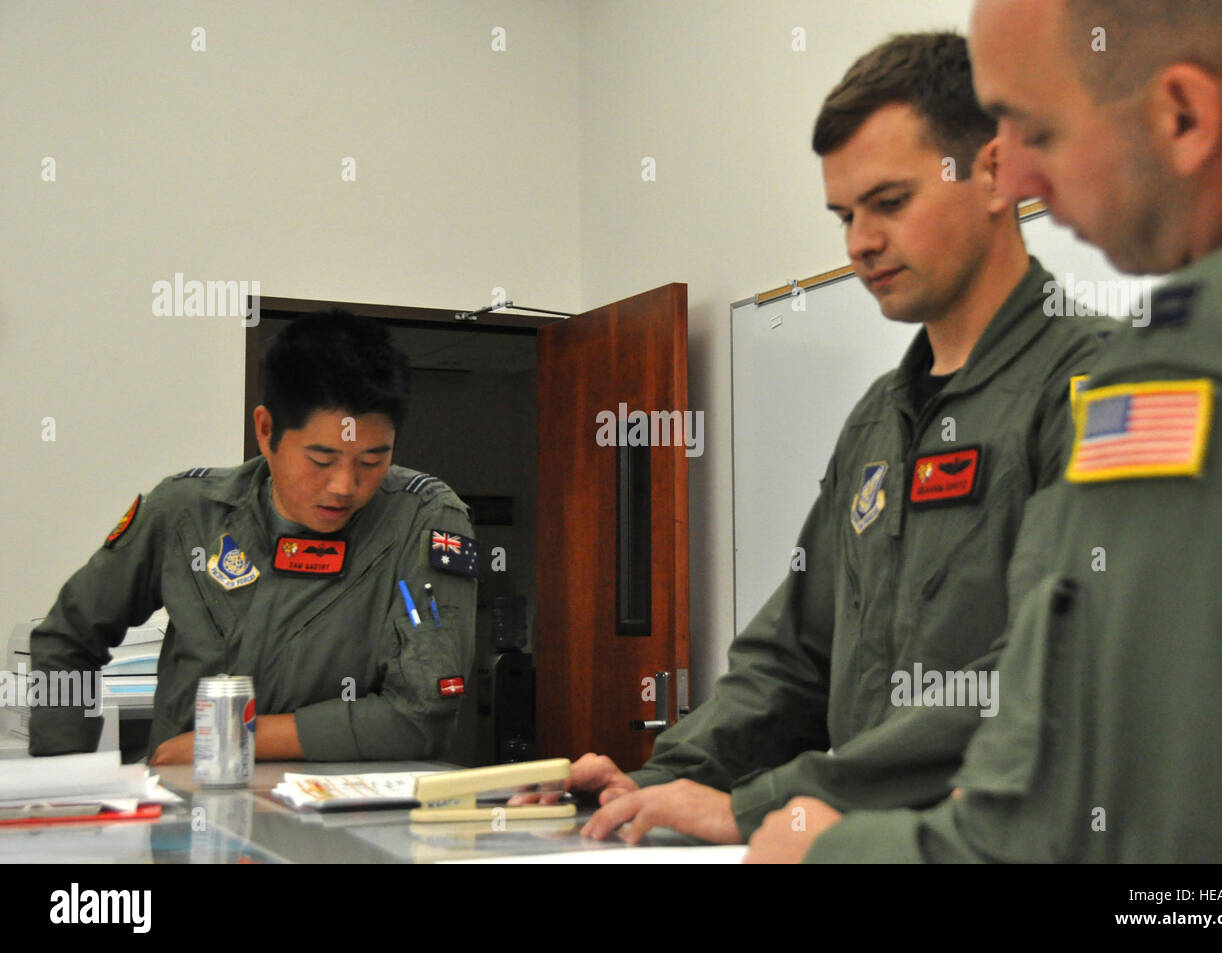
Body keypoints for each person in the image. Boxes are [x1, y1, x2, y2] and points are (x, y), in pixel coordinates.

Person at [748, 0, 1222, 863]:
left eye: (1040, 135)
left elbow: (1171, 861)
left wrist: (824, 849)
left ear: (1185, 115)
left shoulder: (1189, 365)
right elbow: (792, 651)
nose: (1023, 181)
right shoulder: (877, 419)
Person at [538, 33, 1113, 844]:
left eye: (889, 202)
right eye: (846, 215)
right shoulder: (880, 417)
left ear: (992, 172)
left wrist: (764, 800)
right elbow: (793, 657)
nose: (858, 243)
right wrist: (665, 777)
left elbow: (1044, 674)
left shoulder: (1097, 385)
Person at [28, 310, 479, 764]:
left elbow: (423, 715)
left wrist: (231, 739)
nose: (344, 485)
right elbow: (67, 639)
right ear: (266, 431)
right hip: (188, 816)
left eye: (371, 460)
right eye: (321, 460)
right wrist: (68, 778)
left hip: (343, 820)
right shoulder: (188, 513)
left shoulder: (423, 519)